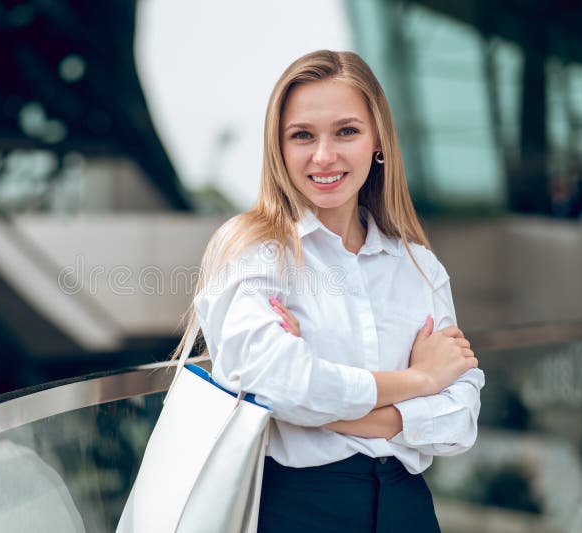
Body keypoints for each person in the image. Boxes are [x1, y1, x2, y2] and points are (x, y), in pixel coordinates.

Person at [174, 50, 485, 532]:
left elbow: (460, 417)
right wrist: (419, 381)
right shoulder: (255, 254)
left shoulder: (418, 266)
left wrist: (321, 407)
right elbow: (283, 384)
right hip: (300, 510)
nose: (324, 156)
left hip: (408, 509)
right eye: (302, 136)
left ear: (377, 139)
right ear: (278, 148)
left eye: (346, 131)